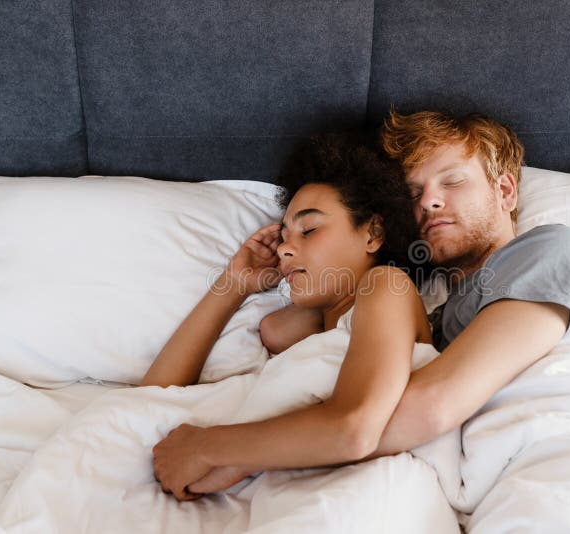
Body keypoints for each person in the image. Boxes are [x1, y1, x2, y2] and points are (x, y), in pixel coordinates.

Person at [142, 132, 431, 500]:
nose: (285, 249)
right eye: (283, 237)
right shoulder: (294, 333)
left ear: (373, 233)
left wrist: (205, 447)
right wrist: (233, 284)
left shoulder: (386, 285)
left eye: (308, 230)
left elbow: (352, 428)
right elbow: (149, 400)